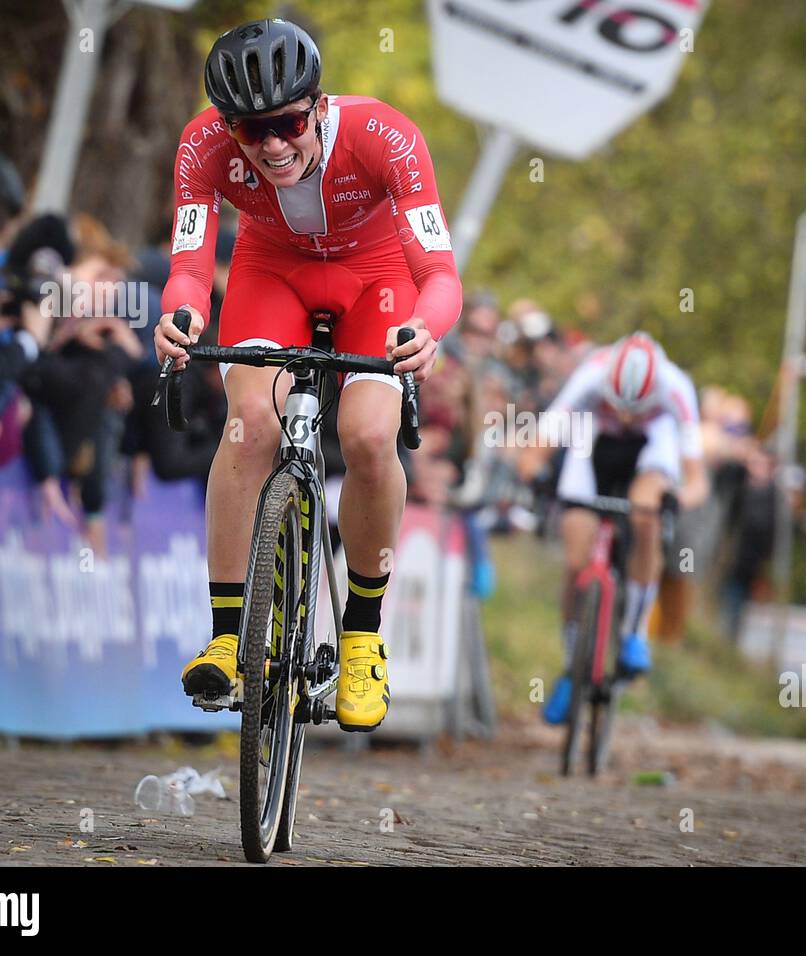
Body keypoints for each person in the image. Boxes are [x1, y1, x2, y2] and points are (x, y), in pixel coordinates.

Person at [154, 19, 462, 732]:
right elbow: (191, 268)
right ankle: (231, 637)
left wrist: (427, 329)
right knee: (248, 422)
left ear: (318, 106)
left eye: (288, 123)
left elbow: (438, 272)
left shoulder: (386, 136)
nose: (271, 145)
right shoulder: (201, 144)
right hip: (273, 271)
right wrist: (181, 318)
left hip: (378, 278)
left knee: (365, 436)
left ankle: (360, 636)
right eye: (249, 130)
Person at [517, 332, 709, 723]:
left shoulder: (676, 388)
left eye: (634, 410)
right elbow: (535, 450)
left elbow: (698, 481)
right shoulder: (590, 375)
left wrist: (677, 500)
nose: (624, 416)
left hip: (650, 447)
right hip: (593, 441)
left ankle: (635, 632)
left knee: (646, 513)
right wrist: (538, 478)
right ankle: (573, 666)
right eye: (618, 406)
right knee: (575, 553)